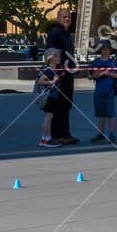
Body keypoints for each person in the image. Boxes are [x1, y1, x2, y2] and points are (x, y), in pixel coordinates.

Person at [44, 8, 78, 143]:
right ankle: (58, 135)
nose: (67, 19)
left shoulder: (65, 32)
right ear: (58, 18)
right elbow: (50, 53)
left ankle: (65, 133)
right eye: (64, 17)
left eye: (69, 17)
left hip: (67, 73)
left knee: (66, 104)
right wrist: (58, 70)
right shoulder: (55, 32)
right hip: (60, 74)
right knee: (59, 105)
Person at [35, 49, 74, 149]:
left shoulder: (53, 70)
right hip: (50, 98)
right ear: (50, 58)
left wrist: (59, 75)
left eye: (59, 56)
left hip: (52, 97)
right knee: (48, 119)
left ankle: (45, 138)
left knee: (49, 118)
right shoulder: (49, 70)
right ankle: (46, 140)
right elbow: (40, 81)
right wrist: (52, 82)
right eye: (56, 56)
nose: (59, 58)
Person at [89, 39, 117, 143]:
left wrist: (109, 73)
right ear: (100, 50)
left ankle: (112, 134)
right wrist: (99, 74)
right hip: (98, 91)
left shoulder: (113, 62)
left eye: (107, 49)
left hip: (109, 91)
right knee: (101, 114)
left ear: (110, 50)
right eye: (103, 49)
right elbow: (90, 77)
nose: (105, 51)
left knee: (111, 114)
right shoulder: (95, 62)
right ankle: (101, 134)